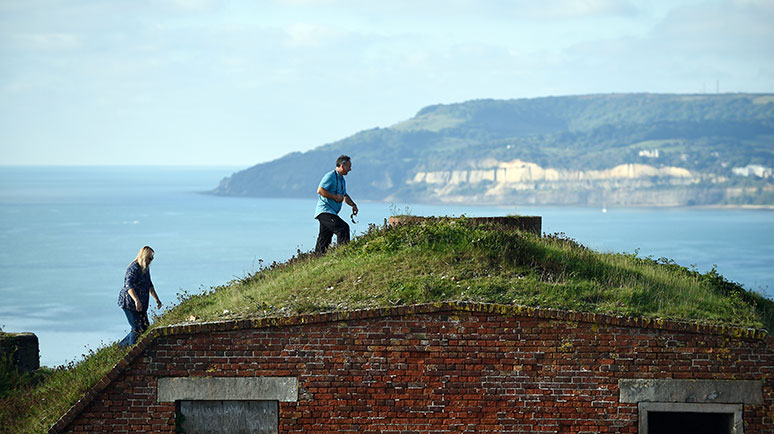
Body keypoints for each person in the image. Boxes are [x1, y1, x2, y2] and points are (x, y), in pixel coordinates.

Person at [117, 246, 162, 347]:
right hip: (129, 303)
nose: (151, 261)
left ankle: (121, 347)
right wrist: (136, 300)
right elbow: (128, 286)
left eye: (152, 259)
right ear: (144, 256)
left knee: (145, 328)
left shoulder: (145, 268)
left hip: (141, 303)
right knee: (137, 328)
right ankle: (131, 350)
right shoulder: (133, 268)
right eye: (149, 258)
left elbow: (149, 284)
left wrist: (157, 299)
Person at [314, 155, 359, 254]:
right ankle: (343, 254)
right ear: (342, 166)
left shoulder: (342, 180)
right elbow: (320, 190)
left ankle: (317, 258)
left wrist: (353, 205)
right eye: (349, 167)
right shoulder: (330, 176)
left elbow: (344, 195)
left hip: (332, 212)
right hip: (325, 211)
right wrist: (335, 197)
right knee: (343, 228)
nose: (350, 169)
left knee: (324, 238)